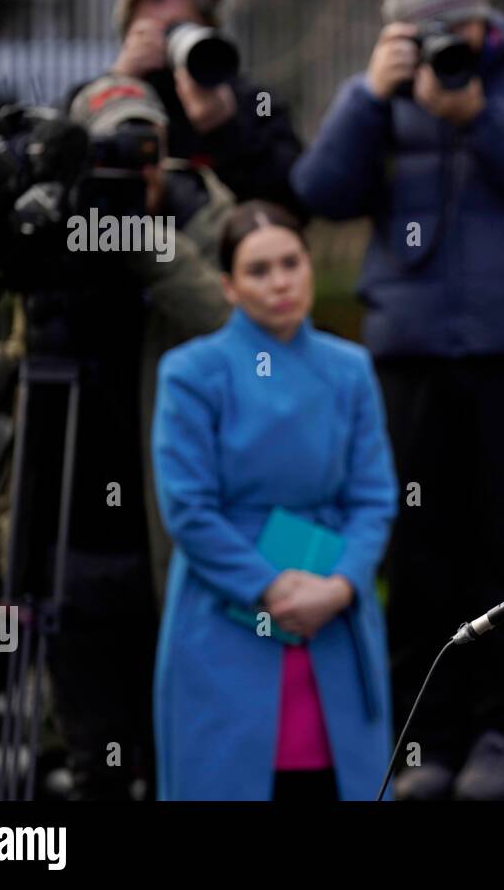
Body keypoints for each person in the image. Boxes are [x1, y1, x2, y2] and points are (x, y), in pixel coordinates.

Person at [291, 0, 504, 799]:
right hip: (408, 353)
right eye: (422, 32)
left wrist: (477, 116)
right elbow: (318, 190)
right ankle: (425, 744)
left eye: (455, 26)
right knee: (418, 552)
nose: (444, 44)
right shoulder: (379, 94)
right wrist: (365, 95)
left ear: (482, 13)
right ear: (396, 33)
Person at [0, 77, 233, 800]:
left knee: (174, 755)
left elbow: (225, 325)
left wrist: (138, 238)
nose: (134, 169)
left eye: (144, 149)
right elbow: (29, 369)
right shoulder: (57, 244)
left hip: (165, 543)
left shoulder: (204, 222)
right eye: (111, 153)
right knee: (95, 763)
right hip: (64, 539)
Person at [152, 201, 397, 800]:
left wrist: (339, 586)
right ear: (228, 287)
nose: (281, 281)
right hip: (228, 615)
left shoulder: (351, 368)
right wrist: (272, 589)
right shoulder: (190, 372)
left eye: (291, 262)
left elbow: (375, 496)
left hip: (334, 623)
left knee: (337, 782)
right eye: (259, 270)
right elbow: (187, 507)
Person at [72, 0, 304, 212]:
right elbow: (63, 160)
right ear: (128, 37)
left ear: (209, 29)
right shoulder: (94, 101)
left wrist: (227, 131)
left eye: (179, 28)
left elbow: (295, 195)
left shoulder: (251, 102)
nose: (166, 41)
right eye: (150, 30)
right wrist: (116, 85)